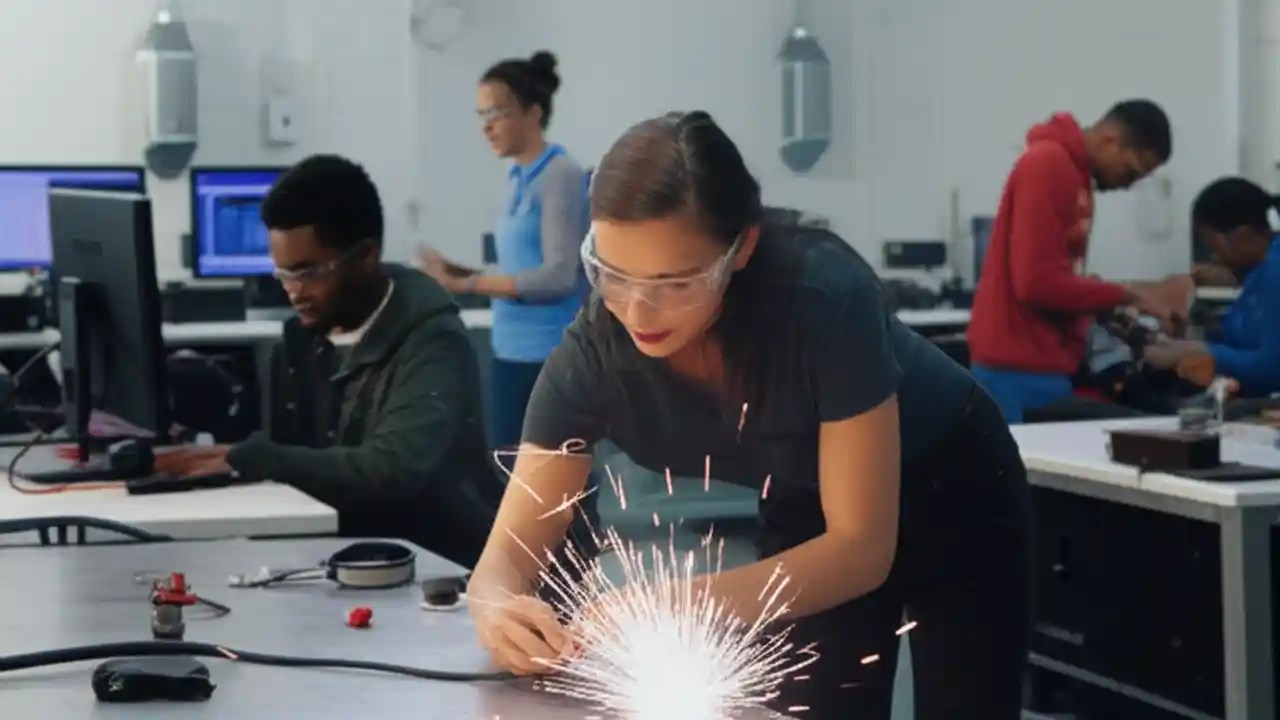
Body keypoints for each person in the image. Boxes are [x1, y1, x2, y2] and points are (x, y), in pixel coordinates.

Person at [466, 112, 1030, 719]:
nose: (637, 309)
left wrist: (674, 605)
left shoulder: (822, 301)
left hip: (954, 483)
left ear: (742, 248)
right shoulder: (595, 354)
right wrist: (497, 607)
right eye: (613, 275)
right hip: (809, 499)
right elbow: (507, 558)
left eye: (676, 282)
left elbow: (862, 547)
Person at [155, 154, 502, 569]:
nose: (293, 291)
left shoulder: (433, 343)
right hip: (343, 561)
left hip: (437, 569)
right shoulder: (300, 341)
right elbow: (293, 464)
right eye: (283, 275)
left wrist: (258, 457)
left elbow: (392, 470)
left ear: (366, 257)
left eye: (306, 272)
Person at [967, 99, 1190, 423]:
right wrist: (1128, 295)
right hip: (1017, 368)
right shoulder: (1049, 165)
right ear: (1110, 140)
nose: (1128, 184)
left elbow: (1058, 276)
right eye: (1131, 171)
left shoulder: (1075, 177)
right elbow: (1036, 282)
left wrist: (1109, 310)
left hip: (1044, 363)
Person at [420, 50, 589, 450]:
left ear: (533, 113)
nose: (487, 127)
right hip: (511, 352)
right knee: (509, 479)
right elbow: (521, 266)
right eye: (481, 116)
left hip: (548, 360)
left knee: (544, 492)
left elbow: (558, 277)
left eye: (496, 113)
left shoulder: (559, 175)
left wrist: (469, 285)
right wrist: (458, 272)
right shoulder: (517, 176)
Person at [1143, 177, 1280, 395]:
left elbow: (1273, 368)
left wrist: (1201, 351)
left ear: (1242, 237)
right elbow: (1240, 342)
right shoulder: (1257, 274)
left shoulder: (1274, 270)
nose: (1214, 259)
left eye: (1213, 248)